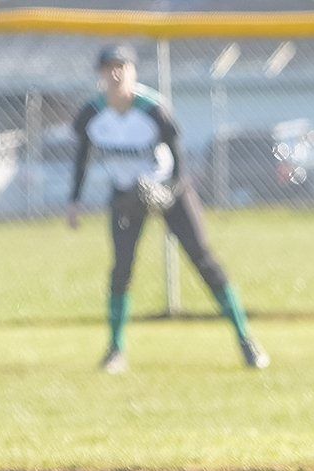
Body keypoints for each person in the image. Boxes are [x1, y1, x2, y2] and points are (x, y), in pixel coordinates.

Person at [67, 43, 267, 373]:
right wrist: (74, 200)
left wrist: (168, 192)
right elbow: (82, 156)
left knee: (203, 260)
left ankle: (246, 339)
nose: (116, 73)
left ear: (133, 71)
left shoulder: (153, 108)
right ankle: (115, 350)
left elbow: (179, 163)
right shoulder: (91, 113)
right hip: (124, 194)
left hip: (169, 190)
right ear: (100, 74)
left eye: (123, 66)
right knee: (121, 269)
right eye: (109, 68)